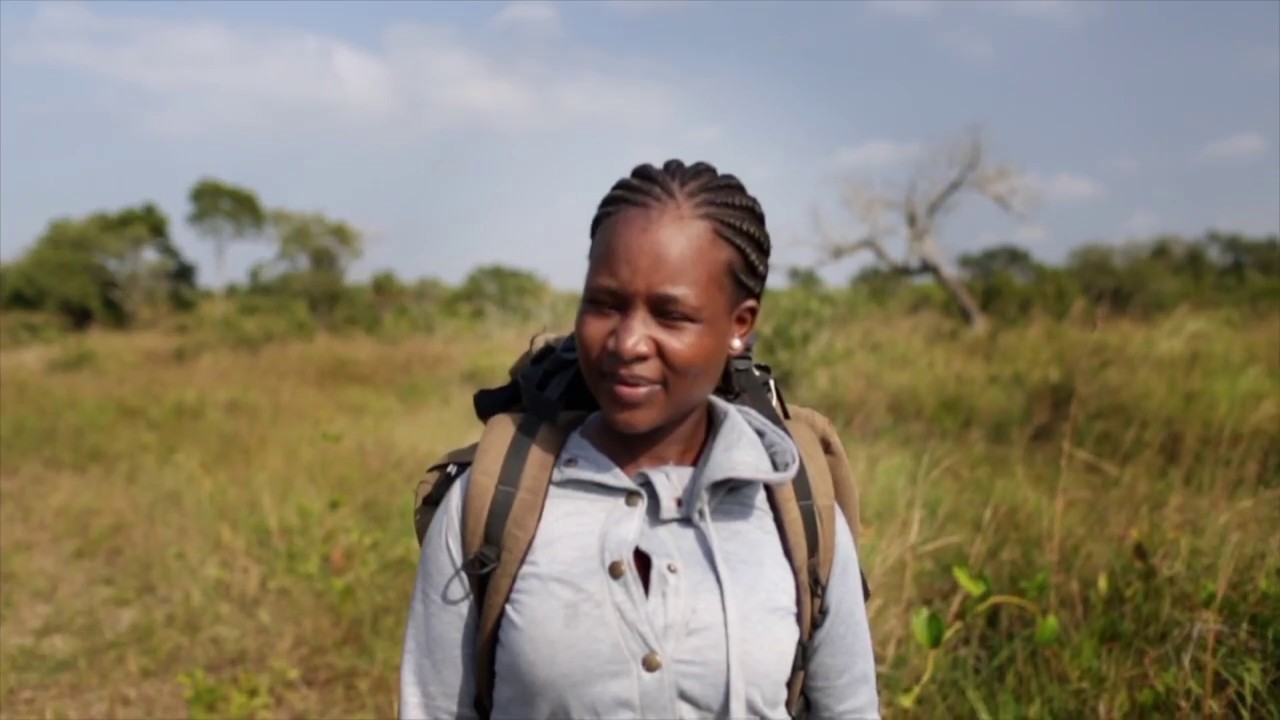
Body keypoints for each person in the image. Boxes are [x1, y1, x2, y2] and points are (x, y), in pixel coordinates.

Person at [399, 160, 880, 719]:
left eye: (670, 315)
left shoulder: (796, 504)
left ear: (739, 326)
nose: (627, 343)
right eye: (605, 304)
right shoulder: (491, 501)